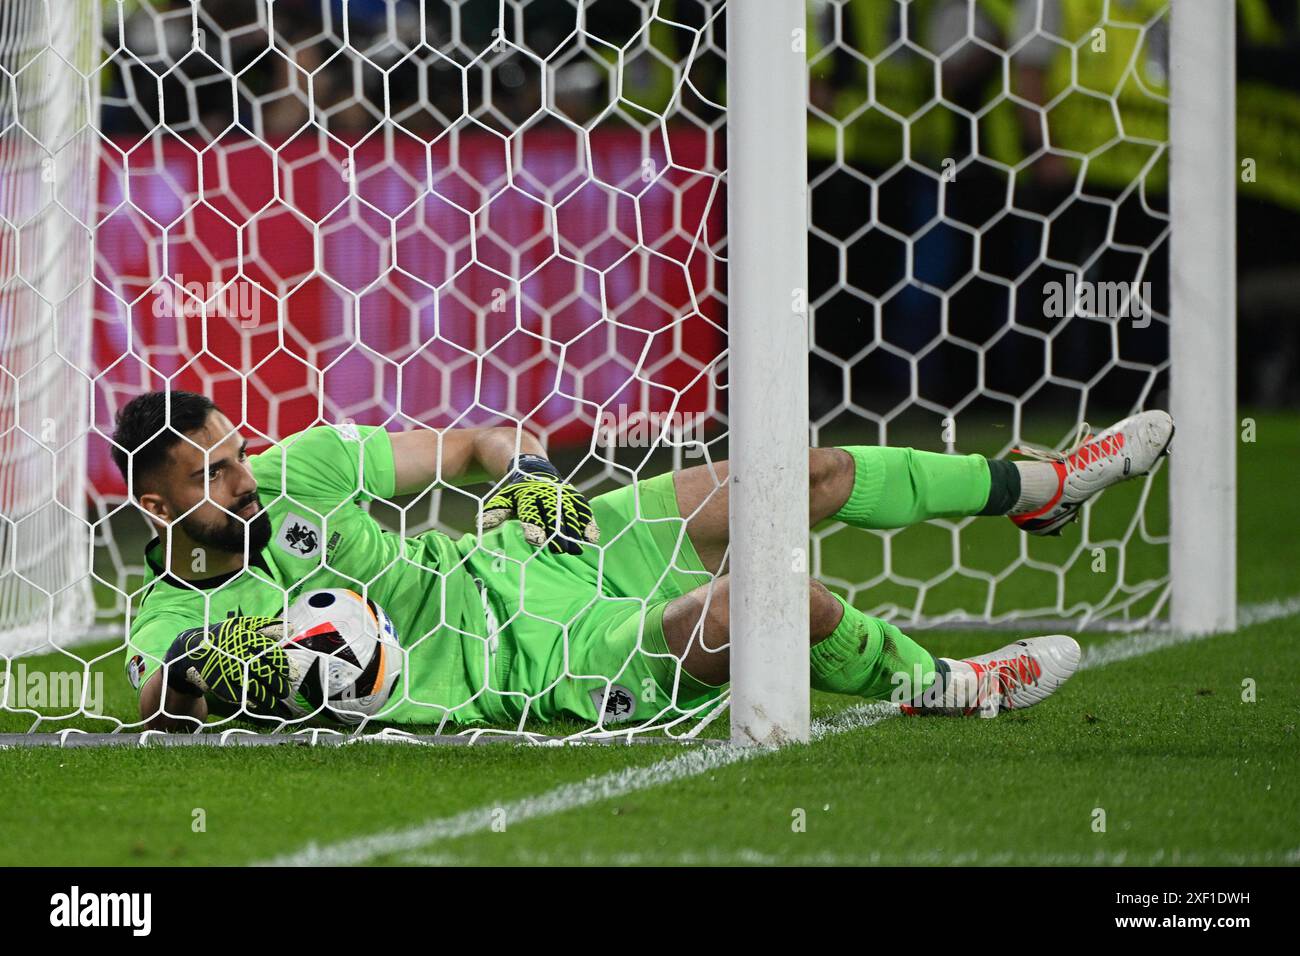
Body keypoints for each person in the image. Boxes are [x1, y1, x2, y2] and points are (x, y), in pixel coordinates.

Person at [114, 389, 1173, 732]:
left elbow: (475, 442)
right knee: (768, 598)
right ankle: (941, 683)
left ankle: (1041, 488)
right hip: (530, 661)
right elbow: (158, 691)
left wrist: (525, 477)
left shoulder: (298, 469)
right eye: (211, 476)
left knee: (802, 473)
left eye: (237, 450)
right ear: (156, 508)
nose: (243, 477)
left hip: (529, 552)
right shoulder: (164, 610)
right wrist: (234, 657)